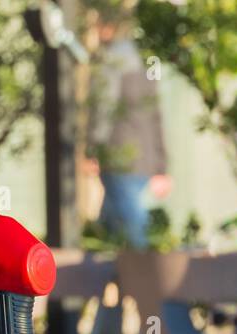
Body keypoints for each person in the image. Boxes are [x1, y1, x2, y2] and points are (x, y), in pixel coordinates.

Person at [85, 18, 171, 248]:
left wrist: (92, 148)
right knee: (110, 224)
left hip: (118, 157)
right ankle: (109, 275)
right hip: (144, 161)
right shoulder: (146, 71)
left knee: (134, 228)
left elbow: (103, 109)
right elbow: (157, 119)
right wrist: (161, 165)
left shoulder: (110, 64)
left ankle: (150, 275)